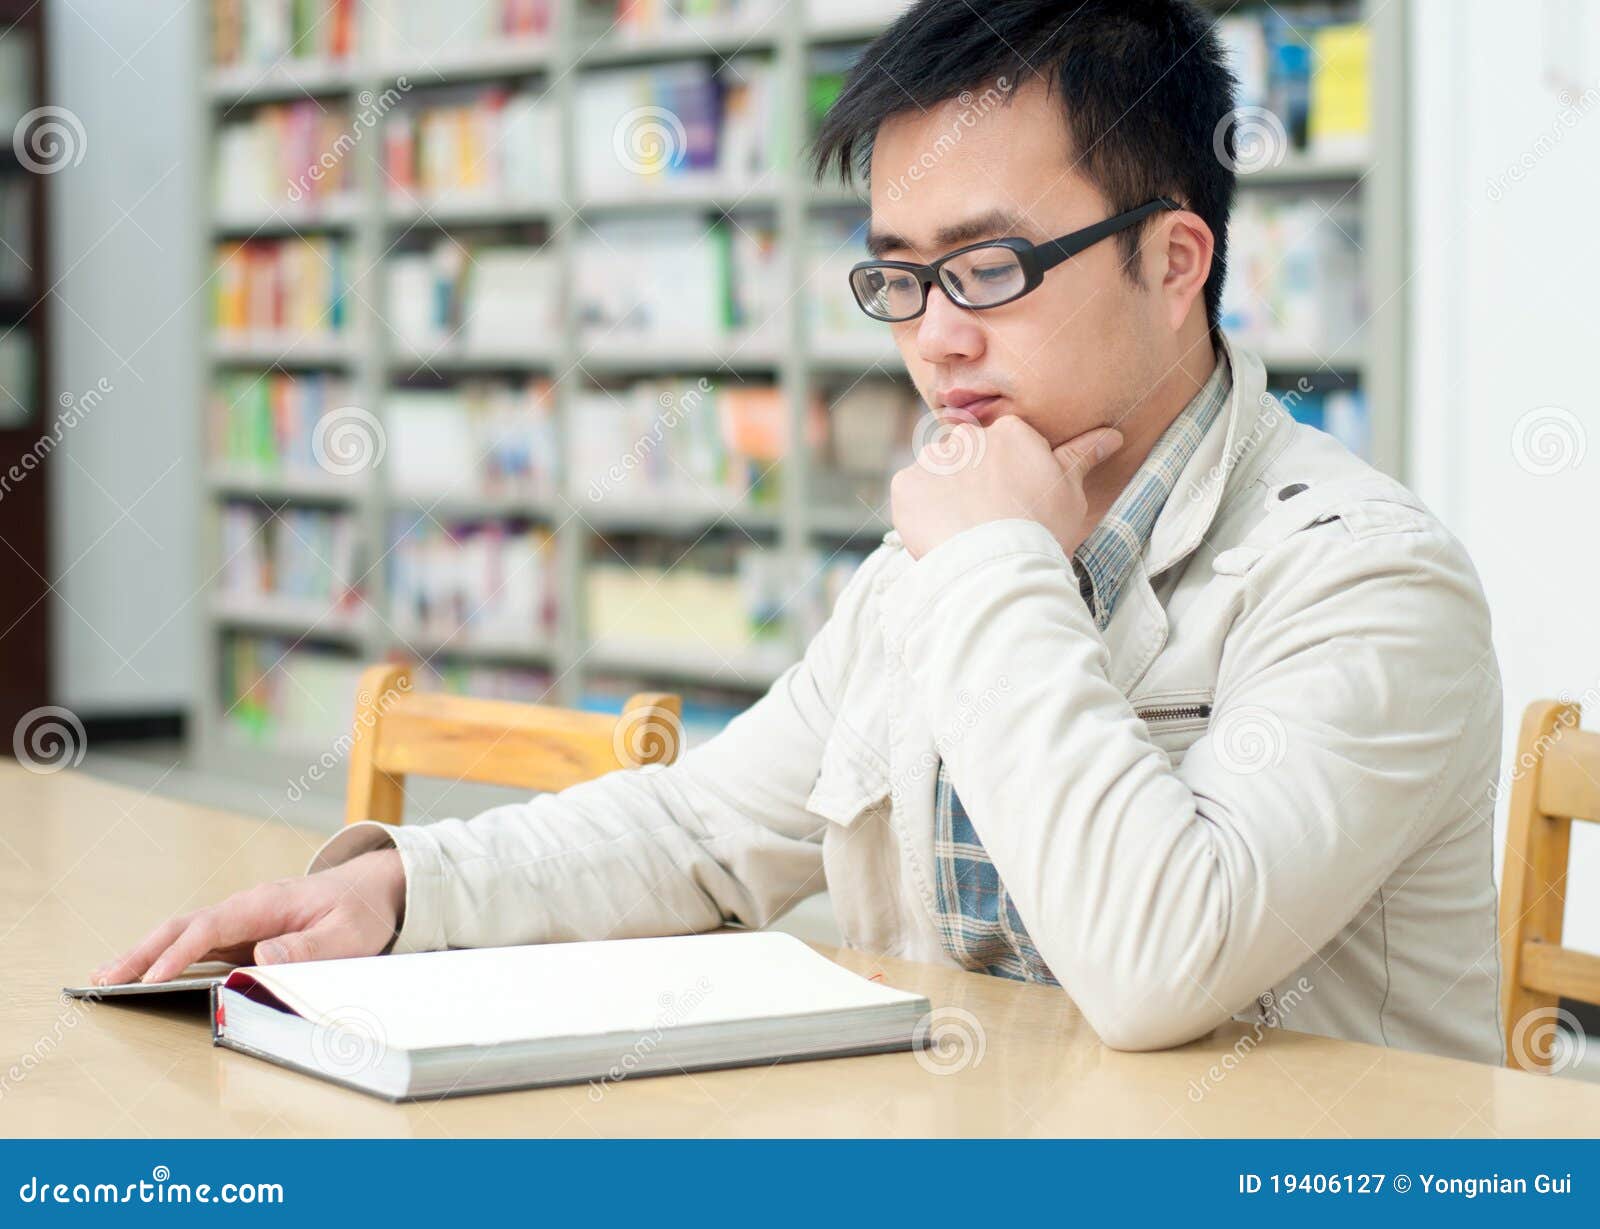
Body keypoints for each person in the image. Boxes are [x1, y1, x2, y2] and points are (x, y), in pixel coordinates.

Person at [96, 0, 1503, 1062]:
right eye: (899, 277)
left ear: (1173, 258)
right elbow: (709, 829)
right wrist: (400, 892)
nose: (937, 337)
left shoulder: (1363, 574)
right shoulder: (950, 549)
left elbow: (1159, 963)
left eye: (991, 266)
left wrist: (994, 570)